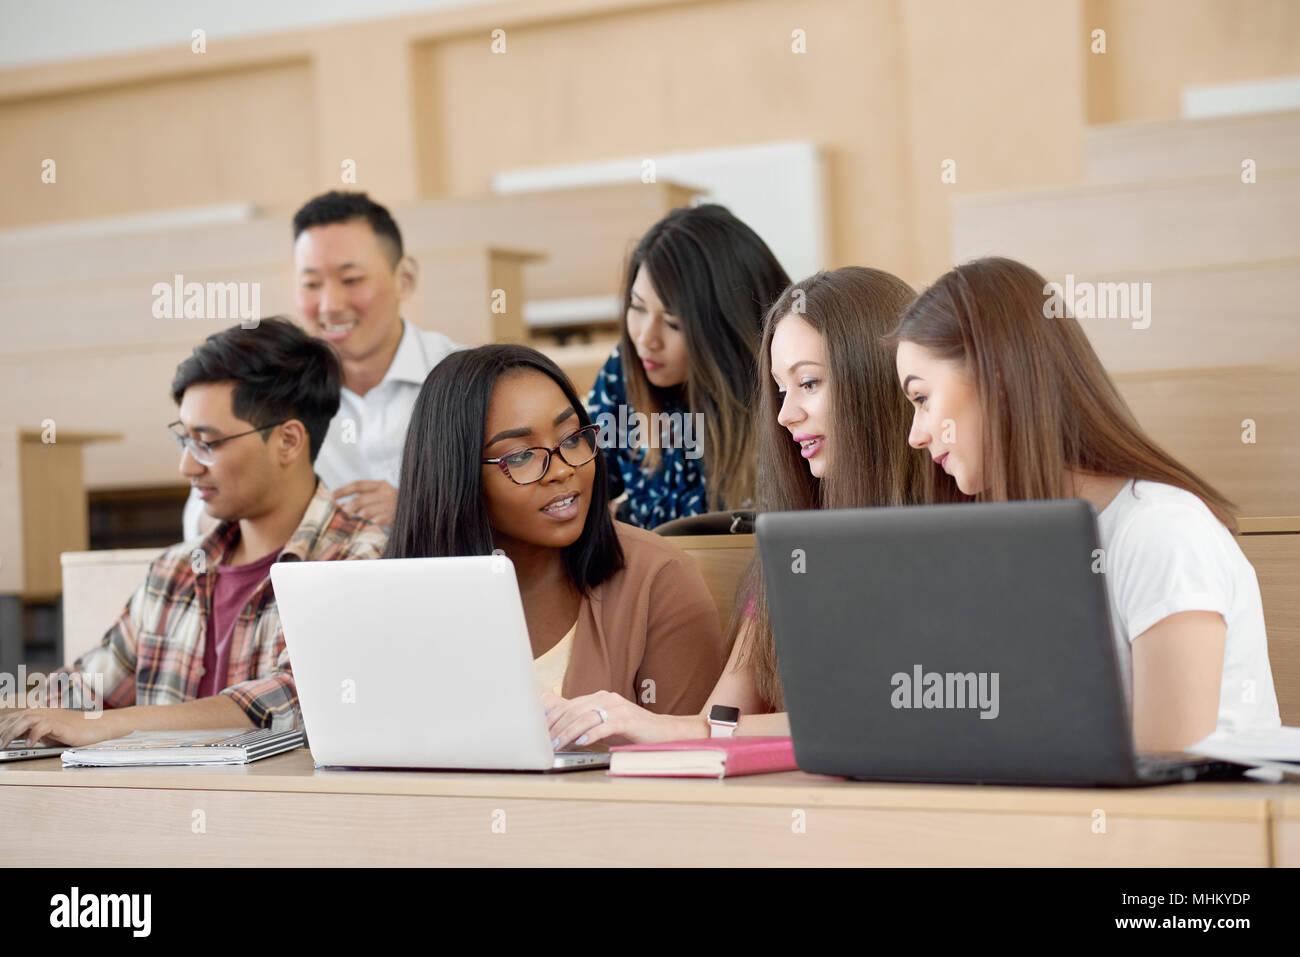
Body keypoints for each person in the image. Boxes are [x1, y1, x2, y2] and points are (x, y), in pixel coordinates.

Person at [891, 256, 1280, 749]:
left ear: (997, 377)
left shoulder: (1162, 533)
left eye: (922, 399)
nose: (916, 436)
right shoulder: (1020, 544)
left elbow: (1168, 777)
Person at [547, 267, 926, 747]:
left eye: (808, 383)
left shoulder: (954, 535)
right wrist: (626, 718)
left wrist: (665, 727)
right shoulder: (792, 547)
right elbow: (721, 718)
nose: (786, 415)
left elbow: (880, 720)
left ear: (873, 379)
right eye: (780, 389)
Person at [0, 319, 387, 749]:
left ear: (289, 442)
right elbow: (84, 689)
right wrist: (16, 709)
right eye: (184, 440)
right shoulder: (175, 570)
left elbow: (302, 700)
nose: (186, 466)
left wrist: (108, 725)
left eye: (207, 443)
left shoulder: (361, 559)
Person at [385, 344, 727, 722]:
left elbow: (687, 764)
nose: (563, 469)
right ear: (454, 476)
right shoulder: (392, 595)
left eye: (571, 437)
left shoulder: (659, 580)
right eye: (519, 455)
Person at [182, 190, 461, 537]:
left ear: (404, 279)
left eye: (351, 280)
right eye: (312, 284)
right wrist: (286, 516)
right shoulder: (277, 389)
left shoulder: (464, 379)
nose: (329, 305)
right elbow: (199, 517)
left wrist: (417, 510)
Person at [586, 204, 790, 529]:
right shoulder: (623, 373)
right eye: (637, 308)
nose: (645, 339)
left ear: (724, 332)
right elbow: (584, 485)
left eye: (673, 323)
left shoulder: (784, 398)